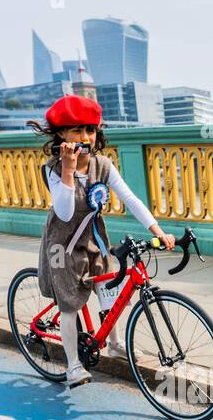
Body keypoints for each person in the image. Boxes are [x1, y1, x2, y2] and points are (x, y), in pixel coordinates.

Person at [29, 94, 174, 388]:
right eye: (77, 130)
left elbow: (129, 198)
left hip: (94, 237)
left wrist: (157, 229)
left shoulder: (102, 165)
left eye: (90, 130)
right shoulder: (53, 169)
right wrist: (68, 170)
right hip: (62, 245)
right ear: (62, 134)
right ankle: (73, 365)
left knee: (108, 289)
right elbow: (65, 212)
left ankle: (115, 344)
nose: (86, 137)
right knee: (69, 305)